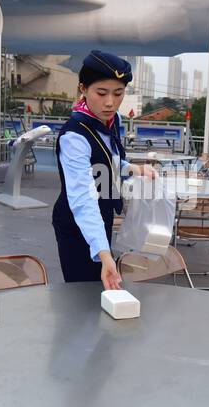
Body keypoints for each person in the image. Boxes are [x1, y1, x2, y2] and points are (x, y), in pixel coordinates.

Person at [51, 51, 159, 288]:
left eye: (118, 93)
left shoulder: (112, 120)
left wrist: (134, 169)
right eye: (101, 93)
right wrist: (104, 252)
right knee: (83, 294)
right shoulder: (74, 137)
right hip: (77, 224)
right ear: (83, 88)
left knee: (102, 293)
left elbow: (108, 159)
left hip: (103, 216)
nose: (110, 102)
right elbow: (83, 198)